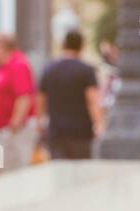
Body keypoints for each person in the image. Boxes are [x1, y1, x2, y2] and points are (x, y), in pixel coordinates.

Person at [37, 29, 102, 160]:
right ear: (81, 46)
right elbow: (92, 101)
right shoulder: (86, 71)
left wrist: (40, 124)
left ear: (64, 45)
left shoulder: (49, 69)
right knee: (81, 173)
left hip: (56, 132)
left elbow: (40, 100)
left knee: (59, 172)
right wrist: (99, 125)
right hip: (81, 133)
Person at [0, 30, 38, 172]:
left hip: (13, 131)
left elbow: (24, 96)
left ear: (2, 47)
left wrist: (15, 123)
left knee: (15, 169)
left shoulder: (18, 64)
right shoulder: (3, 67)